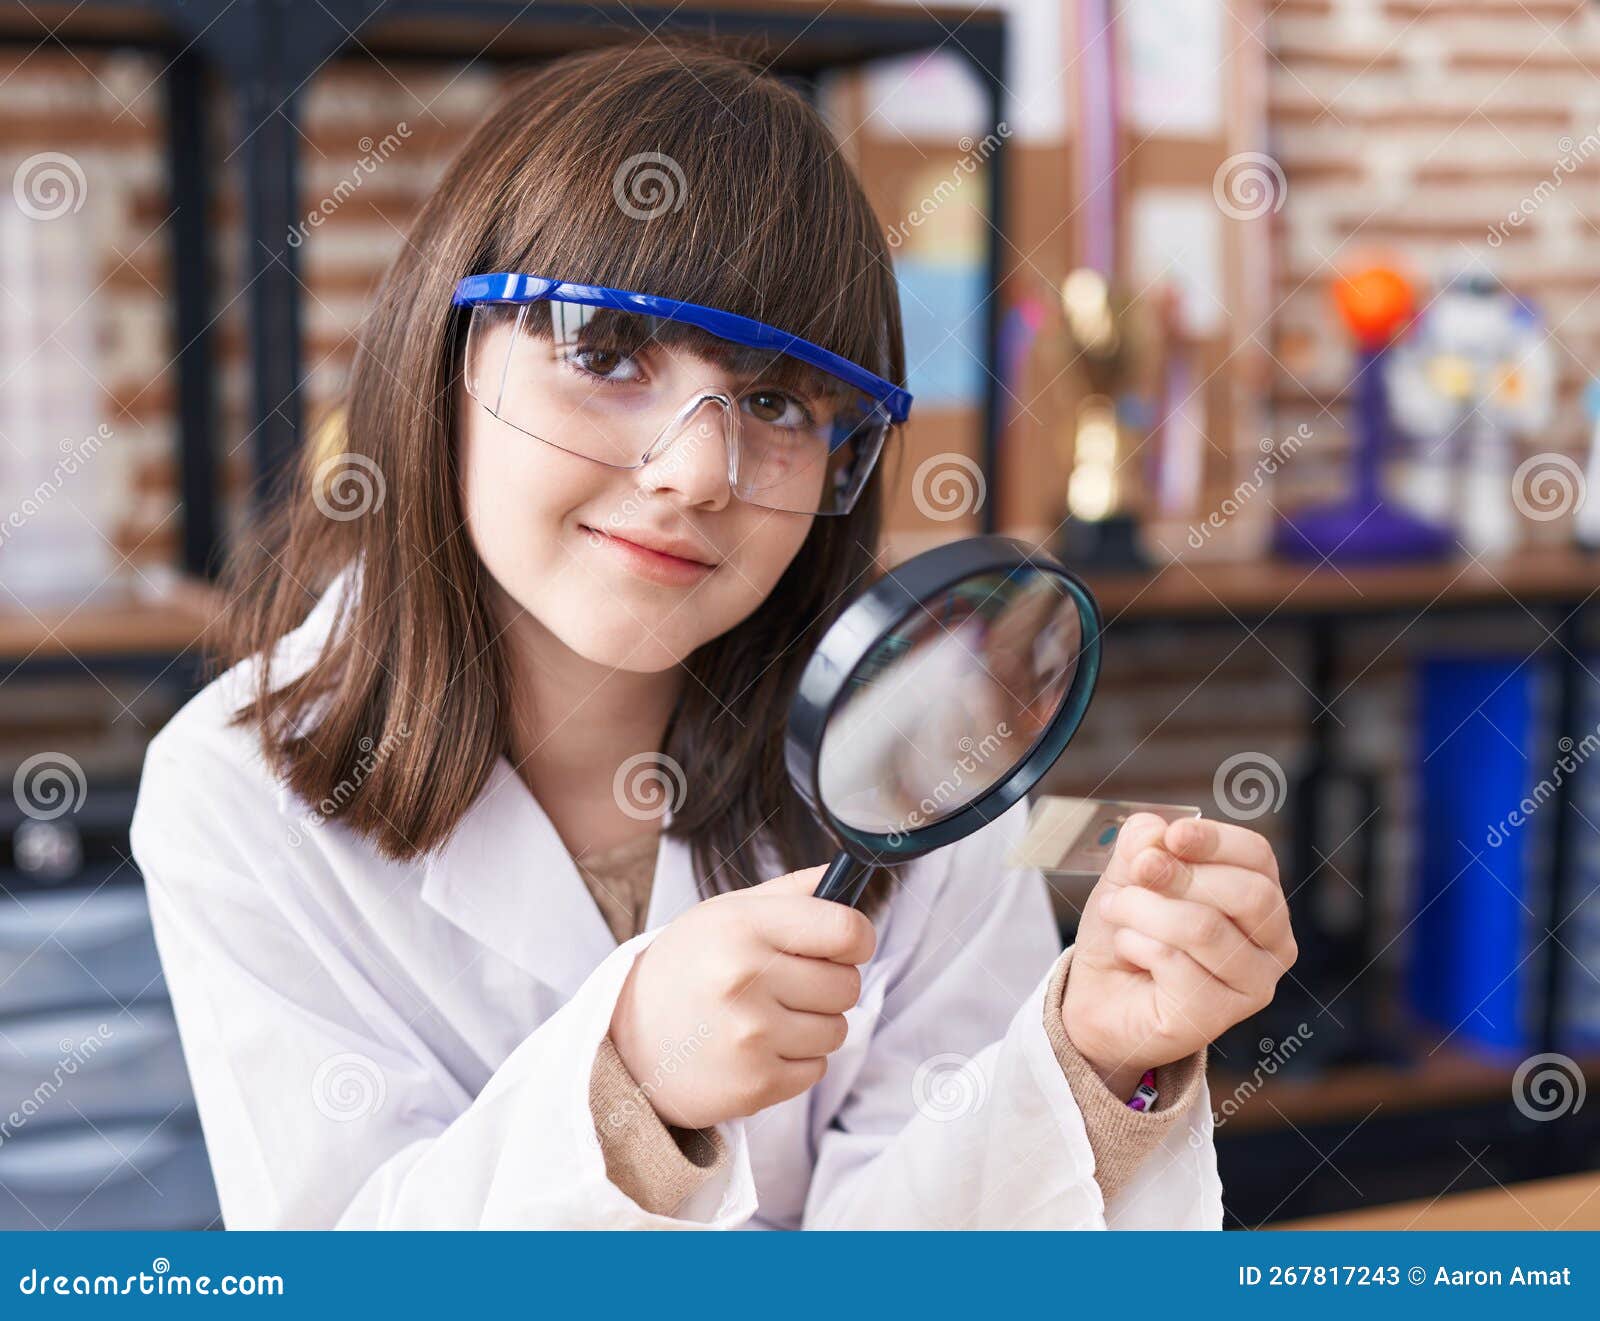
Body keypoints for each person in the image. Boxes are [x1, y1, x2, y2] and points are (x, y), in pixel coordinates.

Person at [129, 40, 1295, 1230]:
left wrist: (1092, 1063)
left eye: (776, 402)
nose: (695, 471)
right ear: (444, 355)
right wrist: (630, 1083)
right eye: (602, 353)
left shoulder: (924, 756)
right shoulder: (234, 791)